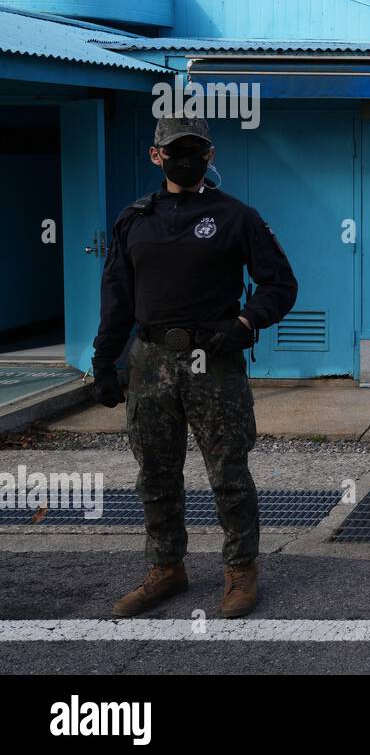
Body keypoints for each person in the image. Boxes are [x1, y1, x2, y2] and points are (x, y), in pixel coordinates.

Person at [91, 114, 297, 619]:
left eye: (196, 150)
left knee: (228, 472)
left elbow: (280, 284)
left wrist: (246, 324)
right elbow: (117, 295)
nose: (186, 159)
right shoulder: (133, 219)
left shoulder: (236, 216)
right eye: (175, 150)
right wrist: (103, 360)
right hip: (150, 362)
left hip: (215, 361)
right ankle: (167, 568)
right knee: (156, 475)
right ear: (155, 155)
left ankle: (241, 570)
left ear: (210, 156)